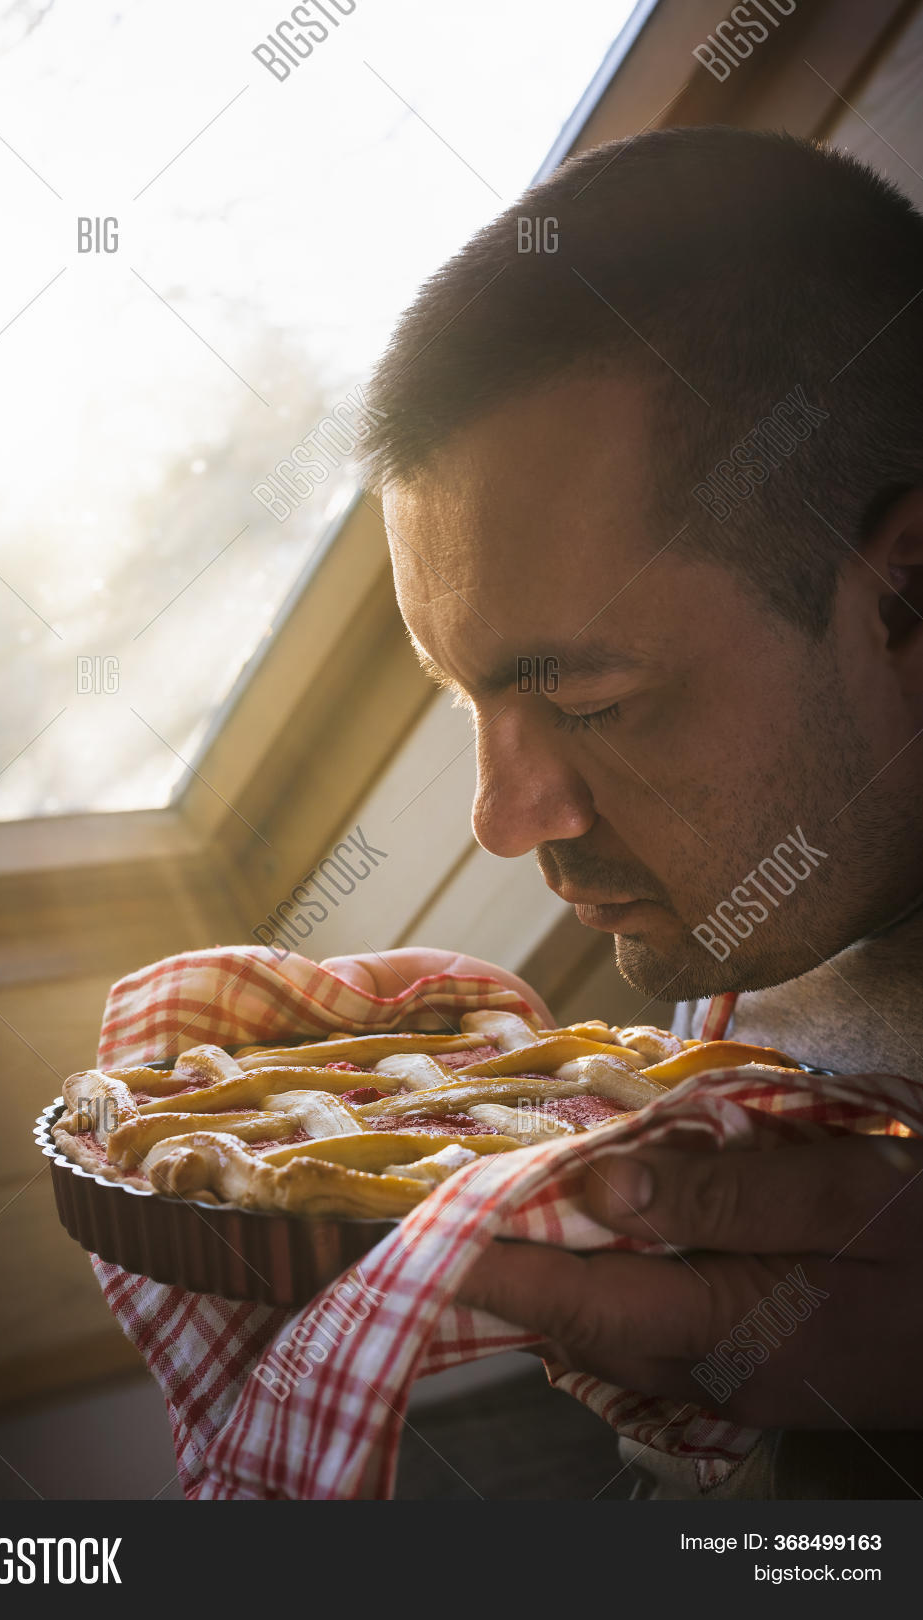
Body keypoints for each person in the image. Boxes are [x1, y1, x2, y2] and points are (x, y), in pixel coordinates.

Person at [320, 127, 923, 1498]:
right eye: (464, 698)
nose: (503, 819)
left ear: (904, 595)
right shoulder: (762, 914)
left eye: (589, 702)